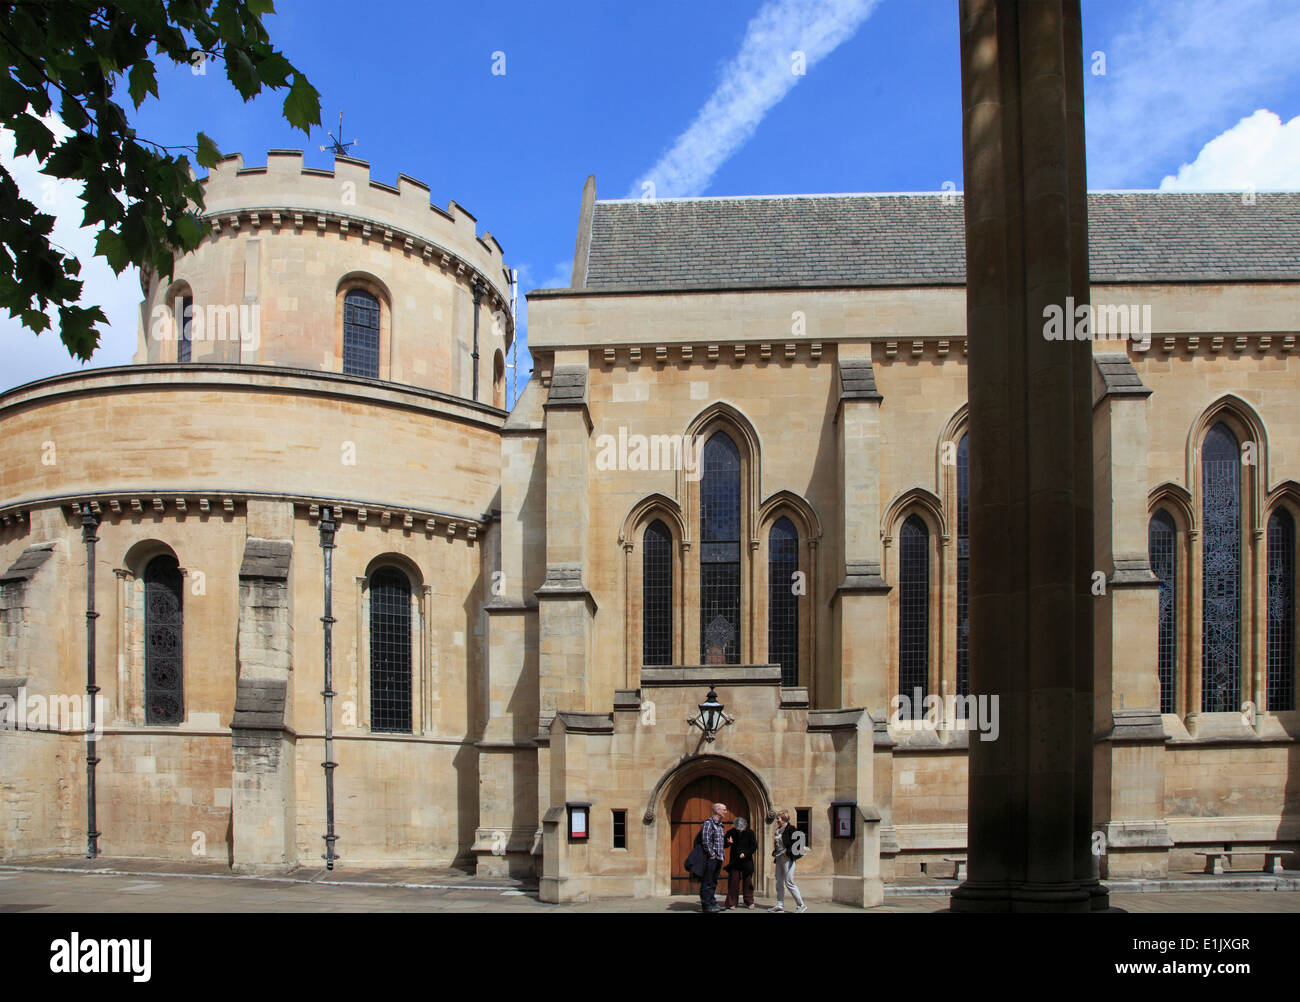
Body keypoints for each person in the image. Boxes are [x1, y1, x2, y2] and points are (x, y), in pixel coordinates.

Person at [770, 809, 807, 913]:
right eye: (777, 818)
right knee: (779, 882)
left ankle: (801, 905)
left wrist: (788, 852)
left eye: (778, 818)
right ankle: (780, 904)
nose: (777, 820)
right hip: (779, 858)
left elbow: (799, 843)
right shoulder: (778, 831)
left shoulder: (791, 829)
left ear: (784, 819)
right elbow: (778, 845)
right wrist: (775, 852)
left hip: (788, 859)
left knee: (789, 881)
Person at [723, 815, 757, 909]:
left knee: (748, 882)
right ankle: (732, 902)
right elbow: (724, 844)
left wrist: (745, 854)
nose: (740, 831)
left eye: (741, 829)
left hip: (747, 861)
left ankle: (749, 901)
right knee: (733, 881)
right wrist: (728, 842)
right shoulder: (731, 832)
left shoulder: (750, 833)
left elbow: (754, 847)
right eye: (738, 829)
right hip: (735, 861)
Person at [699, 801, 728, 913]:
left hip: (719, 858)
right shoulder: (708, 823)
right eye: (724, 809)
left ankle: (712, 902)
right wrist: (712, 855)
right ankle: (706, 905)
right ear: (717, 811)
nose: (726, 812)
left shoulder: (720, 825)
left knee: (713, 882)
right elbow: (705, 840)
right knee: (707, 882)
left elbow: (719, 842)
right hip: (711, 858)